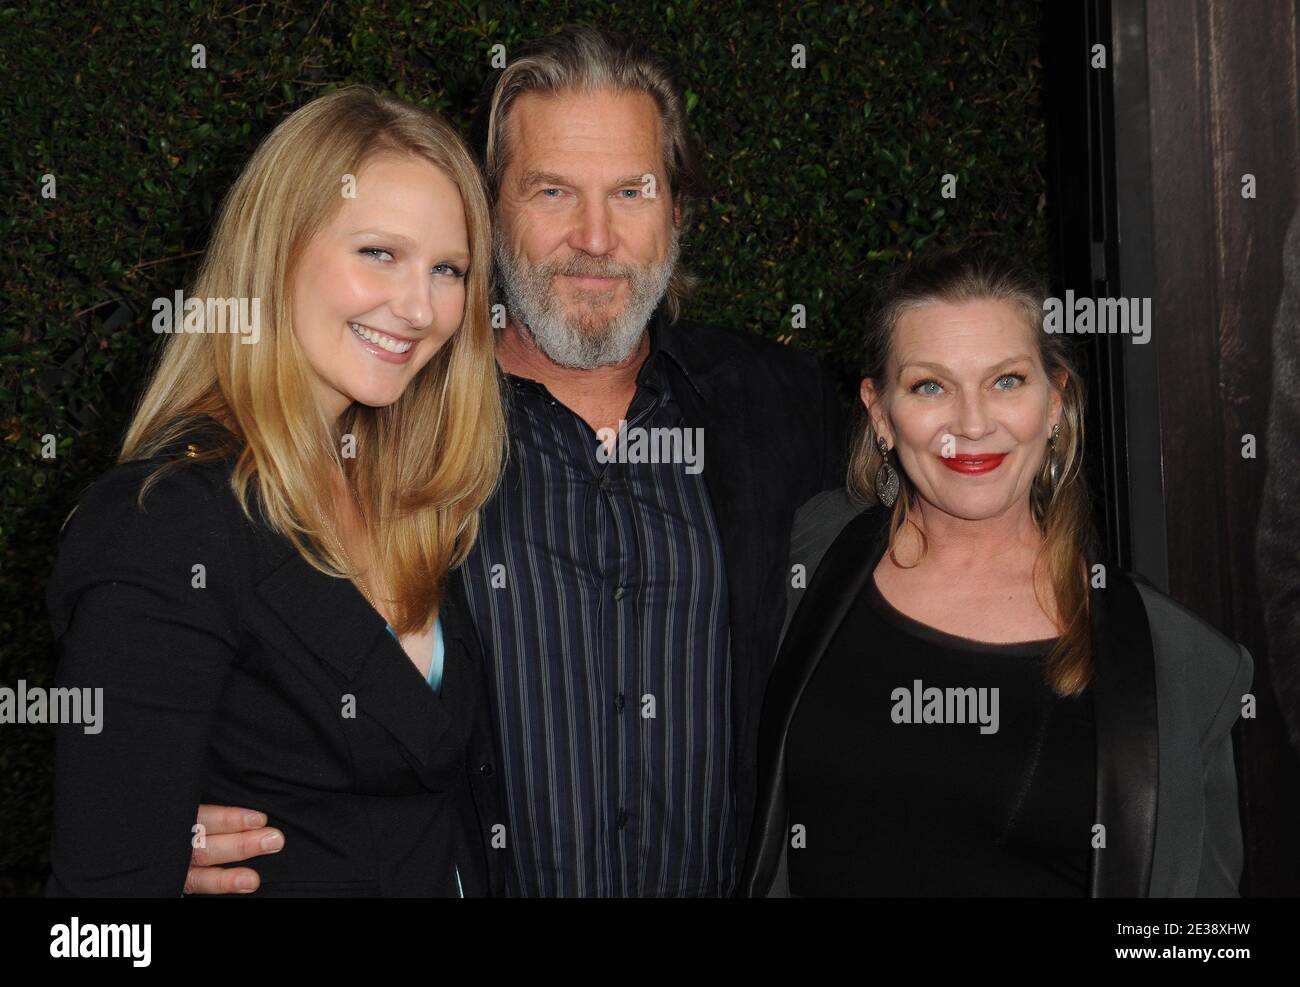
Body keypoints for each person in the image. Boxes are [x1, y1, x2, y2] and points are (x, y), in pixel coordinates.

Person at [188, 26, 849, 897]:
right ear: (489, 212)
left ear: (679, 211)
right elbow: (234, 642)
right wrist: (170, 811)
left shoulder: (785, 409)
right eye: (551, 191)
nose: (595, 236)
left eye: (632, 191)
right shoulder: (383, 421)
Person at [45, 86, 506, 896]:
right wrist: (144, 850)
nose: (419, 307)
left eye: (448, 270)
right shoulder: (169, 521)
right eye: (378, 253)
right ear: (276, 250)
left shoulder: (398, 486)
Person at [739, 248, 1254, 897]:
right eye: (931, 385)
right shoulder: (806, 558)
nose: (973, 423)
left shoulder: (1176, 662)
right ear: (880, 413)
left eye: (1006, 380)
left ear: (1056, 401)